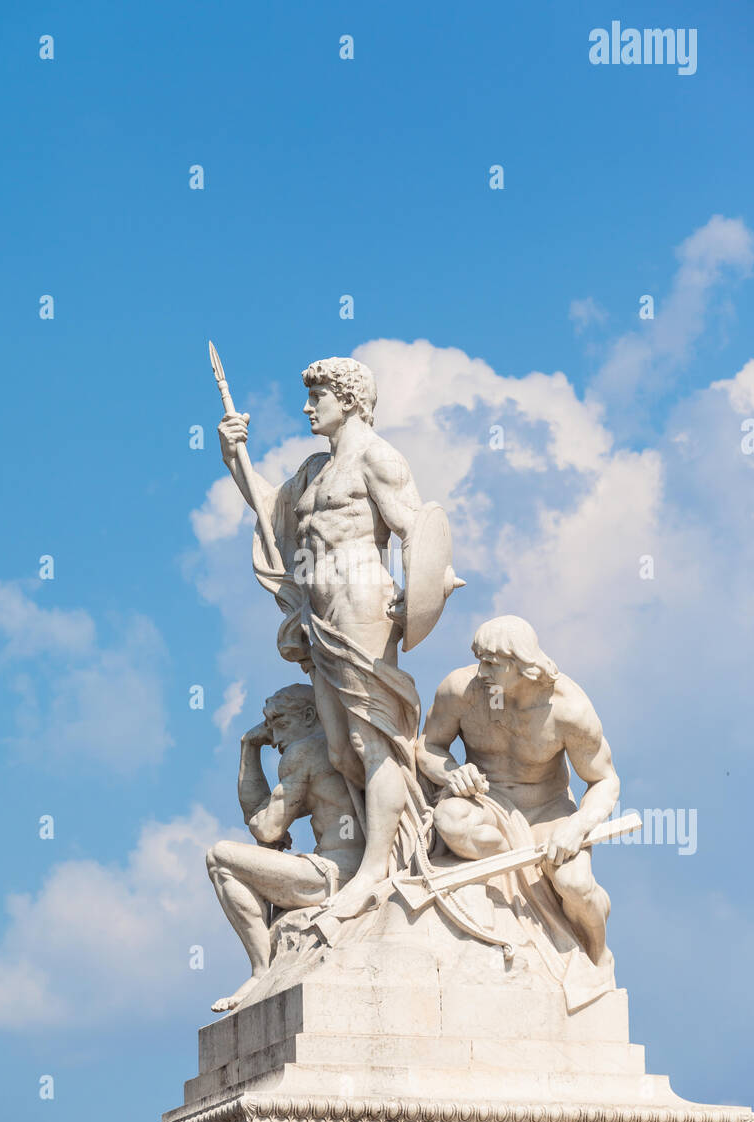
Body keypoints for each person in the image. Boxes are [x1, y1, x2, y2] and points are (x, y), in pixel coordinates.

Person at [218, 357, 432, 921]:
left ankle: (375, 872)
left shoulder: (378, 458)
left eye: (318, 397)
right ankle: (372, 850)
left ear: (351, 398)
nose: (309, 408)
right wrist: (233, 455)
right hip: (320, 616)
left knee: (372, 742)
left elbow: (415, 530)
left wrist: (419, 594)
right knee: (340, 752)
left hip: (362, 603)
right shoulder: (314, 469)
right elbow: (272, 511)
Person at [416, 615, 619, 967]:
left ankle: (598, 955)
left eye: (492, 664)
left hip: (547, 812)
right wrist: (452, 774)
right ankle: (511, 872)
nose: (481, 672)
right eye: (479, 659)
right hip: (487, 804)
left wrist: (578, 826)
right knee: (450, 819)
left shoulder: (569, 710)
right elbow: (427, 747)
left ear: (522, 666)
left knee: (575, 886)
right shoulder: (461, 691)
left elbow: (605, 781)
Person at [207, 684, 363, 1012]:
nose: (273, 739)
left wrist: (248, 749)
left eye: (279, 723)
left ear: (308, 715)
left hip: (333, 874)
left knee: (219, 856)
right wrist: (249, 745)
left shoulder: (306, 752)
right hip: (346, 869)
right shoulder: (338, 745)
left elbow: (265, 828)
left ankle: (260, 971)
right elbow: (262, 819)